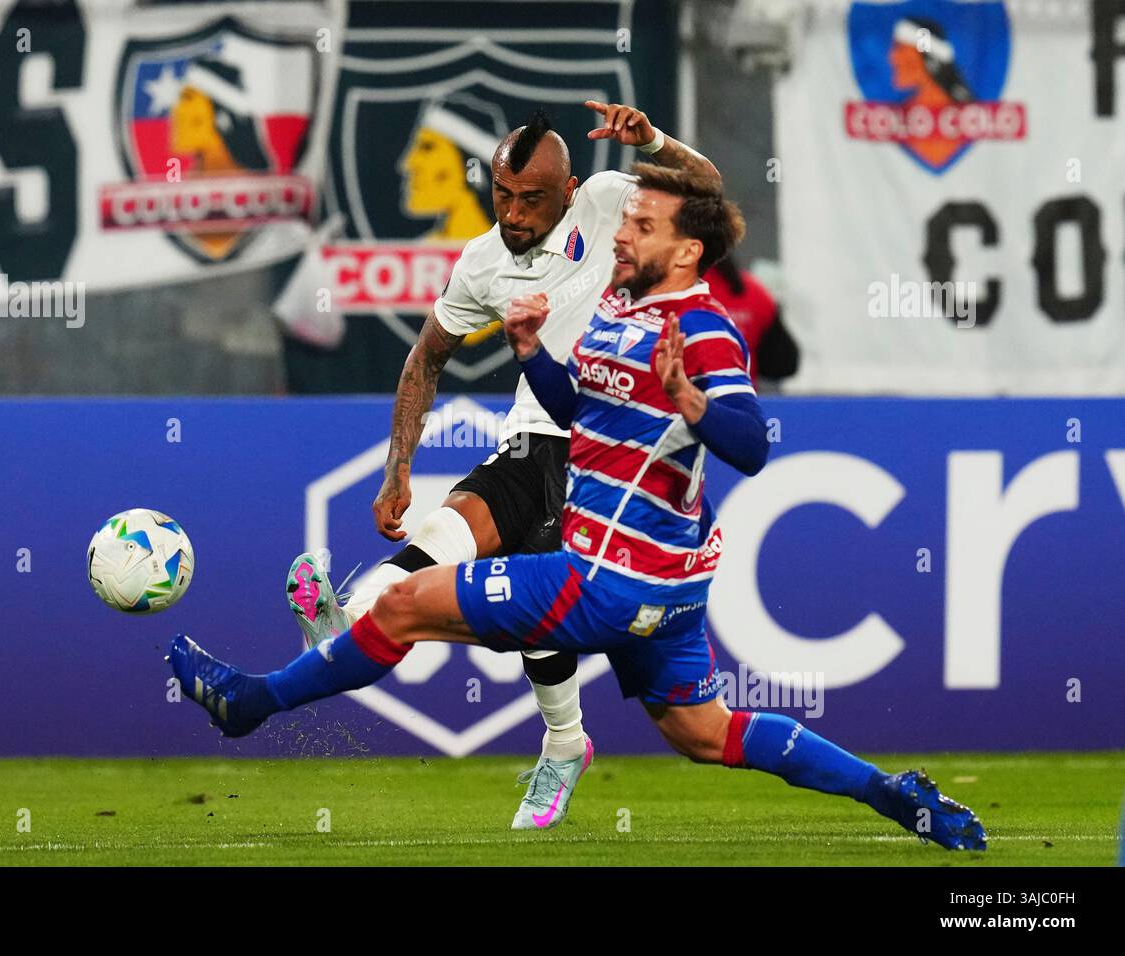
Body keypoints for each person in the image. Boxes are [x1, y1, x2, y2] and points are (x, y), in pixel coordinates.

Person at [172, 164, 987, 851]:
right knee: (707, 734)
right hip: (662, 594)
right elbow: (574, 414)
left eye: (641, 223)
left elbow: (752, 443)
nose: (622, 233)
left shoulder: (703, 330)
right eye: (624, 218)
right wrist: (532, 353)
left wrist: (693, 404)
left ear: (686, 249)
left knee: (405, 604)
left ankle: (251, 704)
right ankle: (890, 793)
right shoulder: (617, 310)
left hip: (607, 578)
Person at [284, 100, 721, 829]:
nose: (515, 215)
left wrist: (654, 141)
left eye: (533, 200)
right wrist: (398, 467)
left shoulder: (613, 203)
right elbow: (426, 358)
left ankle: (564, 742)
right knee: (454, 527)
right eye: (504, 198)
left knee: (537, 614)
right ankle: (348, 623)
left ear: (571, 189)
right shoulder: (482, 261)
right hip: (530, 432)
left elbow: (706, 195)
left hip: (607, 449)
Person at [703, 255, 798, 385]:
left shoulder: (678, 290)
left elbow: (784, 363)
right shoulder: (755, 292)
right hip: (742, 398)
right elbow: (784, 364)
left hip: (687, 400)